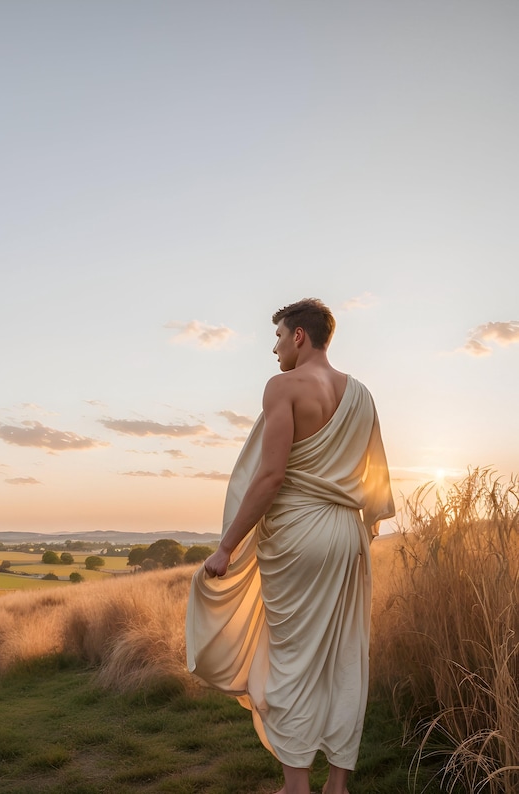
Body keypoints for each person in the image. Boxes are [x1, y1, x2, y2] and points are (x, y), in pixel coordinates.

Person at [185, 298, 394, 794]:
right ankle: (337, 786)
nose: (274, 348)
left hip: (300, 535)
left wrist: (226, 547)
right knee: (346, 659)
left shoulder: (283, 387)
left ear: (299, 336)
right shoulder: (362, 394)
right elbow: (377, 478)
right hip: (347, 536)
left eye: (278, 337)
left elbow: (271, 475)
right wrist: (359, 530)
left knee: (290, 662)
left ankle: (296, 786)